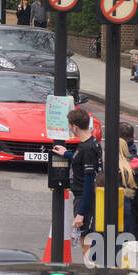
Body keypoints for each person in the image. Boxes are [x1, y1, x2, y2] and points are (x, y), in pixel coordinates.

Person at [56, 108, 100, 255]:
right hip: (86, 197)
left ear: (74, 126)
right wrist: (66, 153)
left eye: (69, 125)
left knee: (85, 240)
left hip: (84, 198)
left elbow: (89, 182)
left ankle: (91, 271)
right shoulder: (91, 142)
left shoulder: (87, 148)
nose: (69, 128)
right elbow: (80, 159)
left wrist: (81, 213)